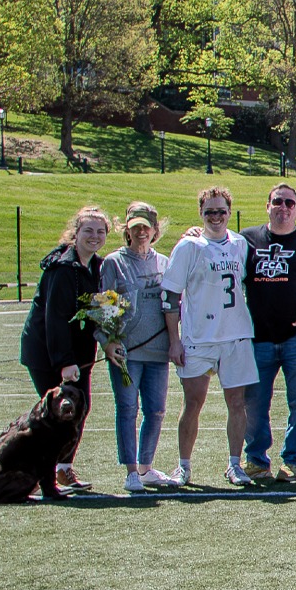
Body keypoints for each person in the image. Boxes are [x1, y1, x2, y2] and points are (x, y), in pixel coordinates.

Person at [18, 205, 118, 492]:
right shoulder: (63, 268)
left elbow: (99, 312)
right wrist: (64, 362)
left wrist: (108, 341)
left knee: (79, 408)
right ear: (75, 233)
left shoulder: (96, 266)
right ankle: (38, 475)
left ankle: (62, 469)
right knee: (53, 416)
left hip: (77, 354)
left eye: (100, 231)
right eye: (88, 230)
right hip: (47, 352)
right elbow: (56, 319)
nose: (94, 236)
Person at [163, 187, 256, 487]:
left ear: (230, 212)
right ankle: (184, 466)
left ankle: (234, 464)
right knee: (193, 402)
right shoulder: (189, 247)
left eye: (221, 211)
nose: (216, 217)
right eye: (210, 212)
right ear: (201, 214)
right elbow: (171, 295)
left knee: (237, 403)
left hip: (235, 336)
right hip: (199, 337)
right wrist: (174, 339)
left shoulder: (240, 243)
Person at [240, 183, 296, 482]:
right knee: (254, 403)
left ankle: (293, 461)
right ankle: (255, 459)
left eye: (290, 203)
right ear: (268, 206)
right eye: (278, 201)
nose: (284, 207)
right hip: (258, 338)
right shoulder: (247, 240)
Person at [98, 203, 179, 493]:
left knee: (156, 410)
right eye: (135, 227)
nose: (141, 231)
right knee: (127, 409)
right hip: (126, 353)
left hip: (158, 350)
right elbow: (103, 307)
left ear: (155, 230)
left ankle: (146, 467)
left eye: (146, 226)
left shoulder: (164, 262)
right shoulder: (113, 262)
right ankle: (131, 470)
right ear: (127, 231)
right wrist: (107, 341)